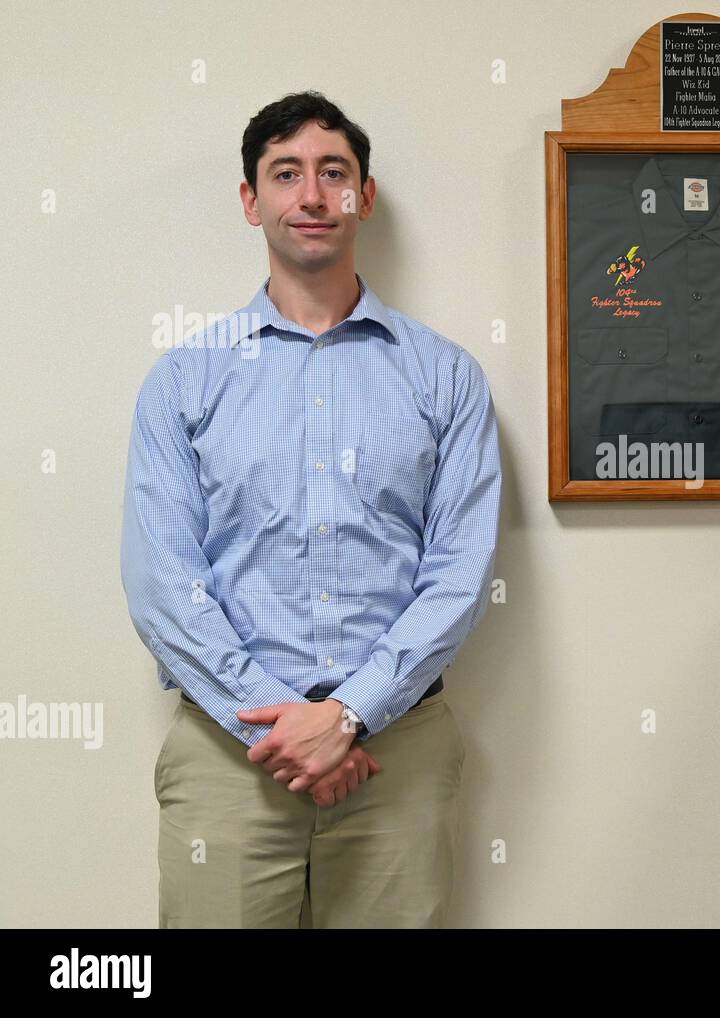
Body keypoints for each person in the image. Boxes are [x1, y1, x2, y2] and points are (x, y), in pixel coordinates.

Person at [120, 91, 501, 928]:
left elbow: (459, 576)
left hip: (397, 754)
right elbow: (162, 581)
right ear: (252, 201)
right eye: (286, 174)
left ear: (363, 195)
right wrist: (289, 731)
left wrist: (352, 713)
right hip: (227, 753)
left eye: (335, 173)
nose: (313, 195)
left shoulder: (446, 378)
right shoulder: (185, 380)